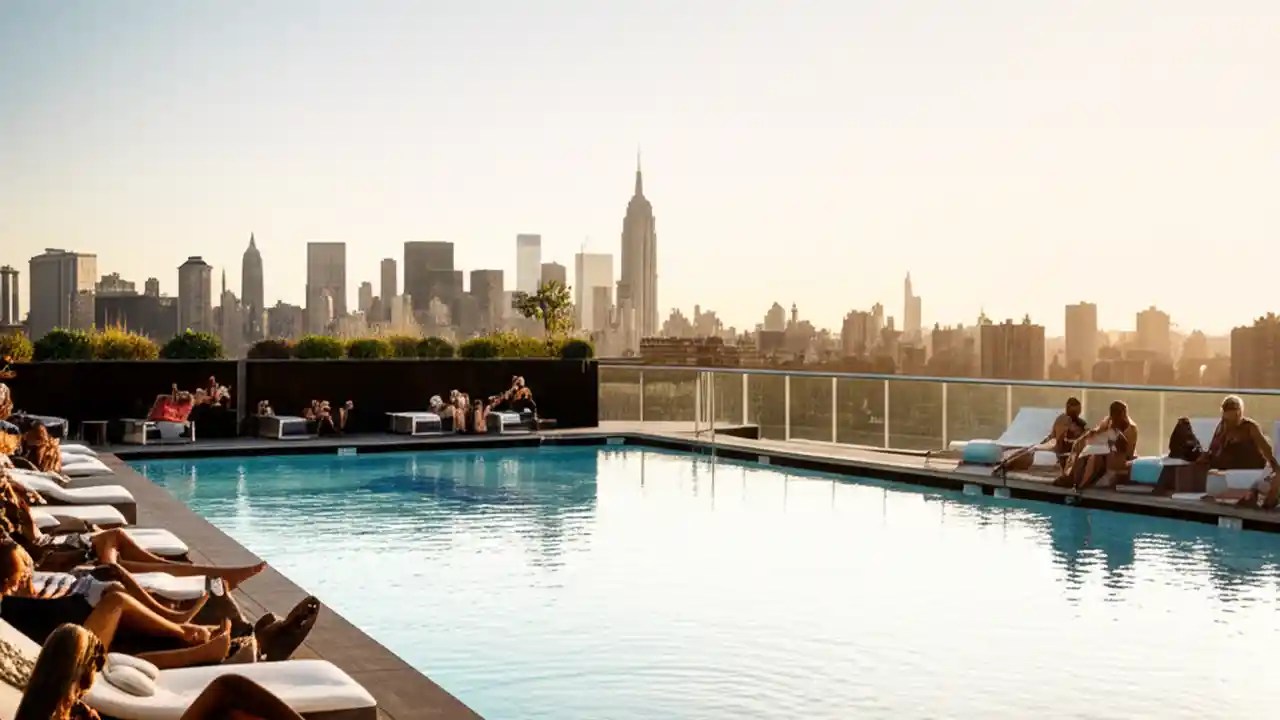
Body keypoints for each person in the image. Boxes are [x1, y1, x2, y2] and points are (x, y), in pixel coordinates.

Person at [0, 537, 231, 667]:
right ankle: (187, 634)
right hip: (68, 655)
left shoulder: (13, 602)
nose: (24, 580)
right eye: (19, 577)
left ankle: (193, 632)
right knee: (116, 601)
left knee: (120, 602)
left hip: (71, 636)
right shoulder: (7, 606)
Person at [0, 478, 266, 587]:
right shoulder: (6, 536)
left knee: (131, 552)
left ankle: (214, 576)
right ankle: (219, 577)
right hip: (55, 558)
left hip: (58, 549)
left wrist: (16, 499)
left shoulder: (8, 509)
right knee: (127, 561)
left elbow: (33, 534)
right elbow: (31, 549)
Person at [16, 623, 310, 720]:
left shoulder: (53, 709)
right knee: (228, 687)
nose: (88, 688)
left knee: (232, 709)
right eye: (89, 675)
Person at [1197, 395, 1280, 508]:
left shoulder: (1249, 427)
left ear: (1240, 413)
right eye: (1226, 419)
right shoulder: (1222, 427)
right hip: (1226, 464)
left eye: (1234, 417)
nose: (1230, 422)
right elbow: (1213, 448)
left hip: (1247, 464)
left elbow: (1266, 450)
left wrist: (1275, 467)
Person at [1061, 400, 1138, 491]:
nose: (1115, 418)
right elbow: (1097, 431)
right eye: (1113, 415)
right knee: (1083, 451)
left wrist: (1113, 444)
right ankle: (1074, 480)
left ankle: (1081, 486)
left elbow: (1128, 452)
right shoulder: (1110, 421)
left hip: (1122, 457)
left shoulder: (1131, 428)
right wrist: (1084, 438)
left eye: (1119, 414)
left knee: (1094, 458)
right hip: (1108, 453)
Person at [996, 397, 1087, 472]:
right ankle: (1006, 464)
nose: (1078, 412)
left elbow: (1075, 439)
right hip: (1056, 444)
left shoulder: (1079, 423)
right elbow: (1056, 438)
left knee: (1032, 449)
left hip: (1061, 447)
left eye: (1079, 410)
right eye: (1077, 410)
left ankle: (1006, 464)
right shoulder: (1063, 420)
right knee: (1031, 449)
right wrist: (1046, 442)